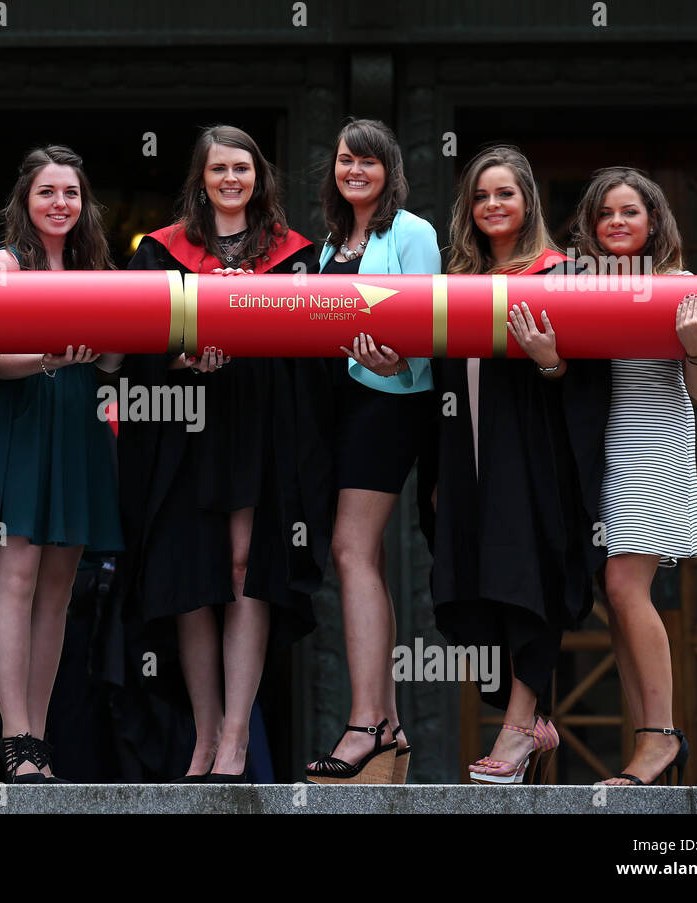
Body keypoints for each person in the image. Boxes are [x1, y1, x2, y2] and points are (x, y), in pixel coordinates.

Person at [121, 125, 327, 782]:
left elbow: (313, 345)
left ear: (259, 176)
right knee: (191, 576)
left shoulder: (295, 255)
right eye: (219, 169)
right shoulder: (160, 251)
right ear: (201, 178)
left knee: (243, 568)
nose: (232, 179)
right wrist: (183, 357)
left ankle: (237, 731)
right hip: (186, 421)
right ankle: (205, 731)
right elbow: (133, 338)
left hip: (259, 421)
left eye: (243, 167)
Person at [430, 145, 609, 783]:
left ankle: (519, 726)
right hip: (468, 460)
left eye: (504, 193)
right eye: (480, 196)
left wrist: (549, 361)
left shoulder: (564, 276)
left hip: (535, 463)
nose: (492, 206)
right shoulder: (458, 283)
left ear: (528, 200)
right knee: (484, 582)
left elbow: (588, 382)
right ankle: (527, 719)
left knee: (525, 579)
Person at [0, 146, 123, 782]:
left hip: (81, 427)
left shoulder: (98, 267)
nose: (60, 203)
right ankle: (14, 736)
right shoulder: (5, 263)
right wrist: (49, 359)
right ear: (25, 202)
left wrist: (107, 345)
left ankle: (38, 735)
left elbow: (116, 365)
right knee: (15, 579)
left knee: (60, 592)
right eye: (47, 192)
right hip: (22, 422)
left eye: (70, 192)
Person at [304, 119, 441, 785]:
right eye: (344, 160)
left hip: (390, 403)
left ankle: (364, 724)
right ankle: (388, 723)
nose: (354, 169)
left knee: (349, 549)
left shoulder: (412, 232)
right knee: (368, 554)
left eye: (367, 160)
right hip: (340, 404)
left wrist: (394, 365)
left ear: (390, 167)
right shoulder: (332, 239)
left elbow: (429, 328)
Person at [572, 166, 697, 785]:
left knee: (628, 586)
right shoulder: (584, 284)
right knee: (615, 589)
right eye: (606, 214)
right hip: (602, 447)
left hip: (654, 444)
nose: (617, 223)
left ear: (653, 221)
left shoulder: (679, 285)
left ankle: (660, 740)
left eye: (630, 211)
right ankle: (649, 743)